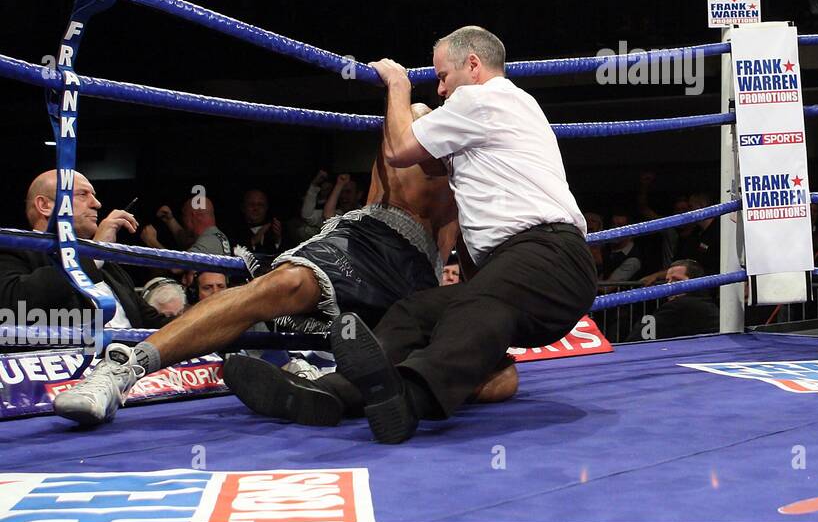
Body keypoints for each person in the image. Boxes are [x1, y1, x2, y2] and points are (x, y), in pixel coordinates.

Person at [231, 26, 597, 444]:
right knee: (415, 312)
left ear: (473, 65)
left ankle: (409, 400)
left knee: (477, 304)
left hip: (549, 259)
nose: (441, 89)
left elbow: (400, 148)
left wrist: (398, 83)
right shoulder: (514, 108)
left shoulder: (481, 97)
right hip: (527, 277)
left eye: (443, 75)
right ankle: (333, 392)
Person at [49, 104, 510, 427]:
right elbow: (397, 143)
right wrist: (396, 82)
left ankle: (325, 387)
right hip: (373, 244)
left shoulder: (476, 175)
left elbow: (473, 263)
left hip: (417, 284)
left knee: (502, 376)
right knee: (287, 284)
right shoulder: (416, 122)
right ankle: (122, 370)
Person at [0, 171, 164, 329]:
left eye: (93, 195)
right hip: (71, 355)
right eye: (82, 194)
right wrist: (94, 254)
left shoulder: (109, 267)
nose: (97, 204)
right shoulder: (14, 249)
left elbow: (151, 321)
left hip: (131, 353)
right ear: (45, 205)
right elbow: (14, 303)